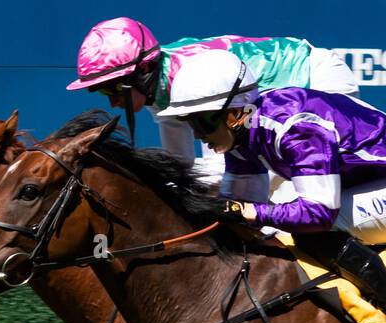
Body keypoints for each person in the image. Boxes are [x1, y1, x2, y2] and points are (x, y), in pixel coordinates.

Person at [157, 50, 386, 323]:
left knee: (311, 231)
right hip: (370, 180)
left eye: (203, 121)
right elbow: (239, 204)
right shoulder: (241, 136)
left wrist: (249, 212)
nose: (198, 135)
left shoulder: (295, 126)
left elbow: (318, 213)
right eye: (190, 123)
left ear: (236, 113)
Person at [66, 17, 358, 196]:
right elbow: (178, 166)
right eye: (101, 91)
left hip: (318, 78)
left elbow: (219, 167)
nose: (112, 101)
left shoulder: (191, 81)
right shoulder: (159, 84)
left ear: (142, 72)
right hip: (275, 92)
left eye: (112, 88)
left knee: (286, 188)